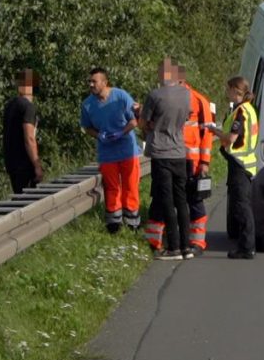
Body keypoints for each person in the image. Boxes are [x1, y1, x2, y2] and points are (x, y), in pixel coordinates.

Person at [140, 58, 192, 261]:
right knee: (182, 200)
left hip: (161, 152)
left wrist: (150, 125)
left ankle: (174, 247)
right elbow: (185, 118)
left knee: (167, 200)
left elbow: (143, 122)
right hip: (179, 152)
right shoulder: (186, 94)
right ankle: (186, 246)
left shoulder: (155, 95)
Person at [81, 67, 142, 234]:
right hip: (107, 153)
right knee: (112, 188)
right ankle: (114, 225)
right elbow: (87, 127)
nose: (91, 84)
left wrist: (121, 132)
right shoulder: (87, 105)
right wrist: (99, 135)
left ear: (105, 82)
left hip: (127, 150)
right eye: (89, 81)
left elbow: (135, 120)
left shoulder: (120, 96)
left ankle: (132, 224)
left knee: (130, 186)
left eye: (94, 81)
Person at [207, 76, 257, 260]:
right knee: (242, 206)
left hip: (239, 164)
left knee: (241, 207)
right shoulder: (248, 109)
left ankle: (246, 247)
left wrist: (214, 131)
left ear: (236, 91)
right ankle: (246, 246)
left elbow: (231, 139)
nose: (226, 92)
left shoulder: (241, 112)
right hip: (244, 163)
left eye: (228, 89)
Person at [179, 65, 213, 256]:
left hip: (192, 160)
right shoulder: (166, 98)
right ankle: (179, 239)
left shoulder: (199, 101)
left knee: (194, 201)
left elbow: (207, 134)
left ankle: (197, 241)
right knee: (175, 200)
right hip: (172, 158)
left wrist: (205, 162)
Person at [2, 69, 43, 194]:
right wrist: (37, 166)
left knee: (19, 201)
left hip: (11, 163)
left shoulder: (10, 105)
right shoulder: (28, 107)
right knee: (28, 205)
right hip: (24, 164)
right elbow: (29, 138)